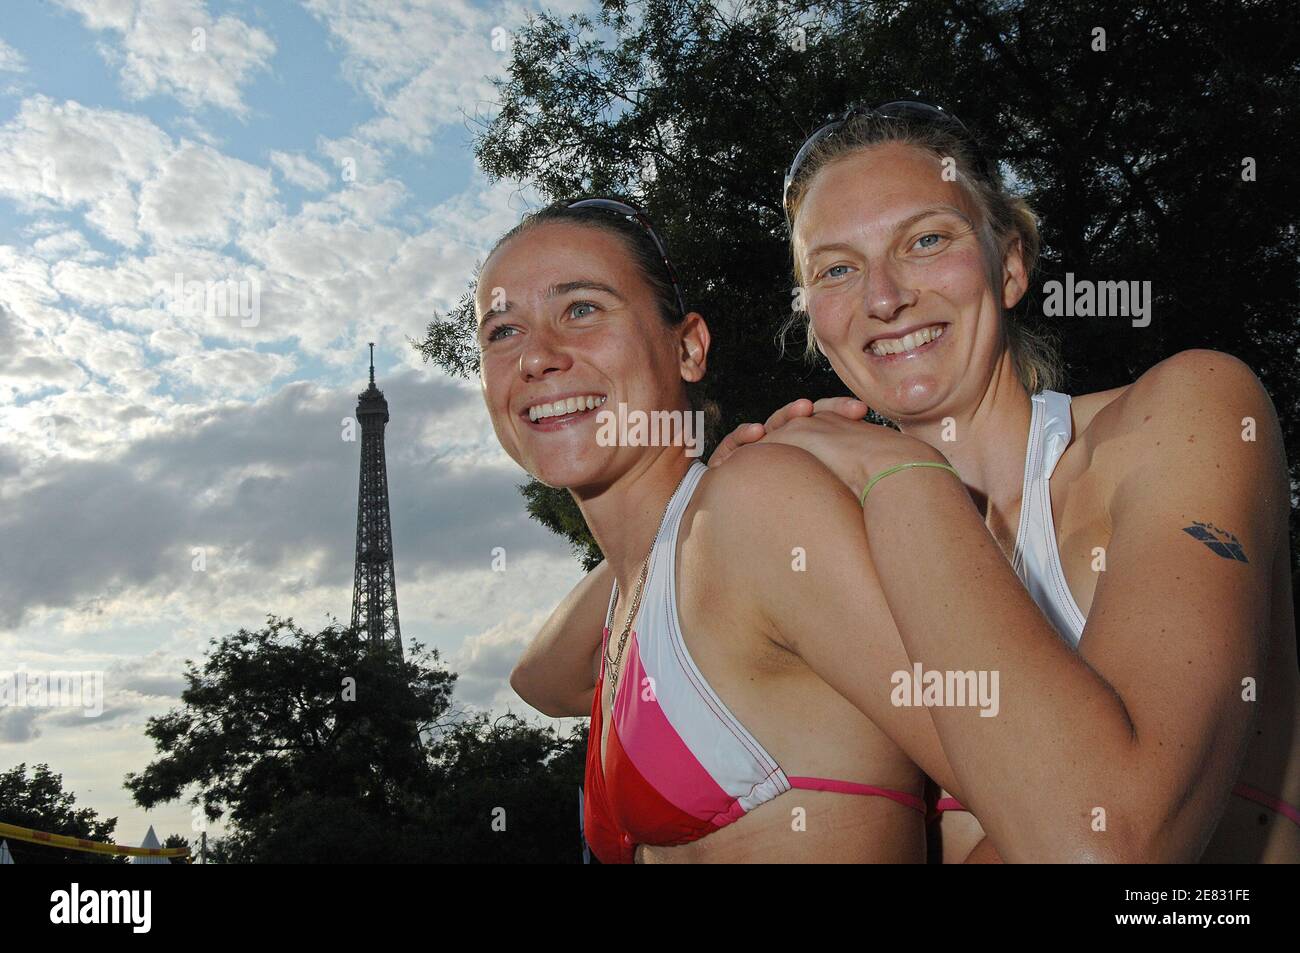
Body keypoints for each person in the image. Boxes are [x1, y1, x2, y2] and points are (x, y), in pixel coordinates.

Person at [705, 101, 1299, 862]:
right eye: (837, 269)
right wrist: (727, 490)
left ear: (1011, 263)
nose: (883, 298)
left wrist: (896, 466)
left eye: (925, 240)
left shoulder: (1187, 413)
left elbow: (1108, 845)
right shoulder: (836, 537)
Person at [481, 198, 979, 863]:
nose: (536, 357)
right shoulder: (662, 569)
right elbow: (538, 681)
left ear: (687, 347)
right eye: (502, 330)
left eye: (582, 309)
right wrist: (657, 533)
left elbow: (1035, 786)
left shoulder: (755, 508)